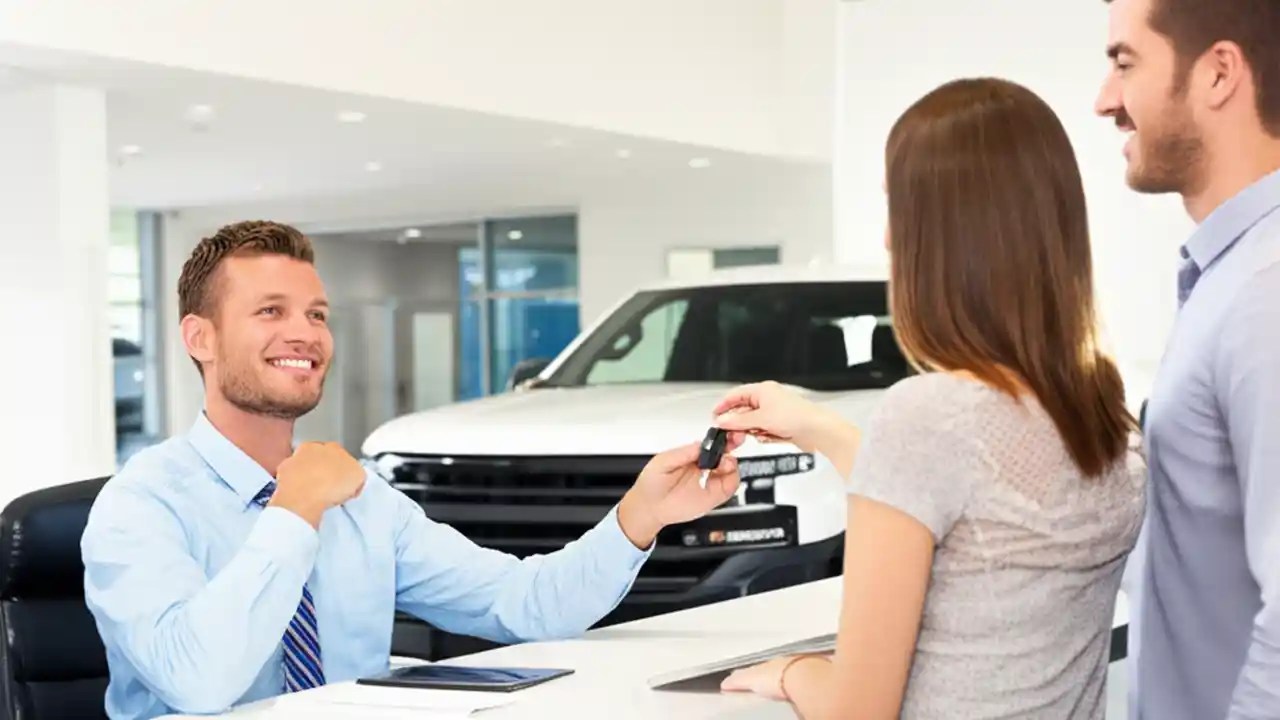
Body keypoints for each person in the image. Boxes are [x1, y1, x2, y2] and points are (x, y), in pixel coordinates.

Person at [80, 220, 742, 720]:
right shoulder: (139, 505)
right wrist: (294, 511)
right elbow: (199, 681)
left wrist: (639, 517)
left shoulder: (364, 500)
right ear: (201, 338)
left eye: (316, 314)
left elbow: (523, 605)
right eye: (270, 311)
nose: (305, 334)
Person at [716, 78, 1146, 719]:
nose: (889, 239)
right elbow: (976, 514)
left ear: (945, 234)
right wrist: (824, 429)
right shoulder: (1106, 416)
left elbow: (857, 710)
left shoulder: (928, 416)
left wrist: (796, 672)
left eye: (898, 209)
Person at [1094, 1, 1280, 717]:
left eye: (1123, 62)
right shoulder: (1231, 277)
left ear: (1219, 74)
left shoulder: (1265, 293)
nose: (1105, 98)